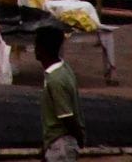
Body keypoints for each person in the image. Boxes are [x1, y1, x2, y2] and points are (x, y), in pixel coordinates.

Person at [35, 26, 83, 162]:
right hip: (57, 144)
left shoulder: (55, 80)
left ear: (42, 49)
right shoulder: (63, 70)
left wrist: (79, 139)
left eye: (36, 45)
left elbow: (67, 116)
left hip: (61, 145)